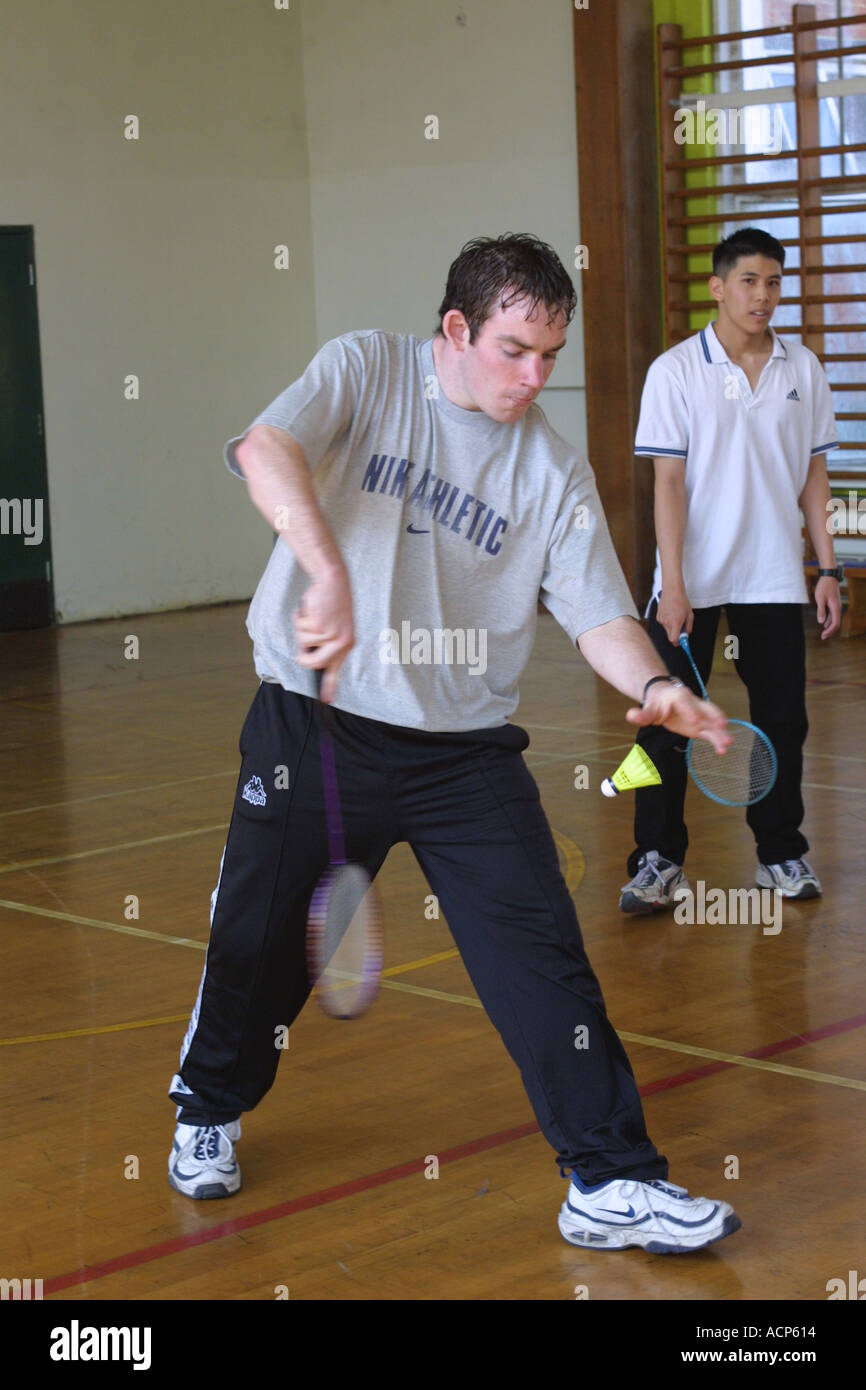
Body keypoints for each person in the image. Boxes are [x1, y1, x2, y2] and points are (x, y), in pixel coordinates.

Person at [167, 234, 740, 1254]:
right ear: (455, 329)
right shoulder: (367, 370)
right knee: (259, 949)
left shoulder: (548, 472)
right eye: (515, 349)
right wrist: (322, 565)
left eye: (549, 356)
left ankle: (606, 1179)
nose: (534, 377)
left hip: (462, 755)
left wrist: (654, 685)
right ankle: (208, 1098)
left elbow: (598, 613)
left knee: (544, 966)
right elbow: (264, 449)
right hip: (313, 721)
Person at [620, 227, 841, 916]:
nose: (763, 295)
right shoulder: (676, 371)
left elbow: (813, 475)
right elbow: (668, 484)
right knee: (664, 722)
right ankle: (657, 861)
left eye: (773, 282)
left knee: (782, 720)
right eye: (749, 280)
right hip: (691, 581)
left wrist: (826, 568)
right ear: (717, 287)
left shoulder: (802, 369)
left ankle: (780, 853)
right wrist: (675, 584)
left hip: (773, 578)